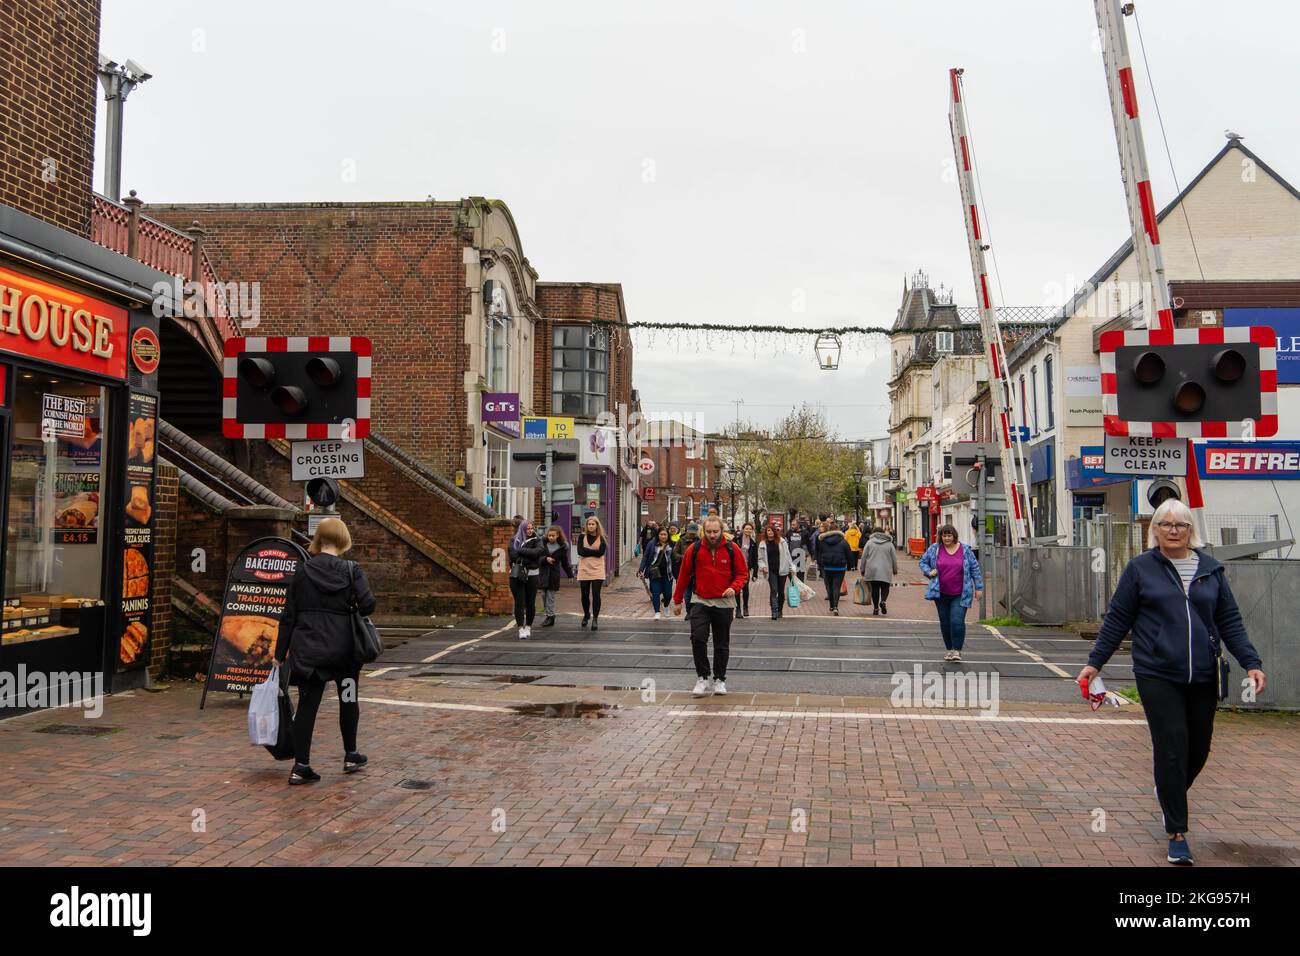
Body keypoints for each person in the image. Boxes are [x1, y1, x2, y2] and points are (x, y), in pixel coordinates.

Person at [1078, 498, 1265, 866]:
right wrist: (1095, 663)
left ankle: (1168, 791)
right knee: (1172, 746)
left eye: (1181, 525)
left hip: (1204, 675)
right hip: (1156, 672)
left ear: (1190, 531)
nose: (1174, 530)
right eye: (1166, 524)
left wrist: (1251, 663)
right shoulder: (1140, 570)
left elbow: (1230, 622)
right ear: (1155, 530)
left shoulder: (1211, 570)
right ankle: (1177, 832)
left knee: (1199, 749)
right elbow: (1118, 619)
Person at [275, 517, 374, 786]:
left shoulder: (303, 571)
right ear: (344, 540)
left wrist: (279, 652)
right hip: (345, 651)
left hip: (309, 650)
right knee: (349, 697)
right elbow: (368, 606)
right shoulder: (352, 570)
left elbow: (288, 615)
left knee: (307, 706)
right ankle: (351, 754)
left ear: (319, 539)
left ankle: (301, 766)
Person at [672, 515, 748, 697]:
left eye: (715, 531)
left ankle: (720, 680)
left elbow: (742, 573)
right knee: (698, 638)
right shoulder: (695, 549)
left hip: (724, 601)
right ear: (703, 532)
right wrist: (677, 600)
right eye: (709, 532)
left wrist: (733, 587)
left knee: (721, 643)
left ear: (722, 531)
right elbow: (684, 575)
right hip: (701, 600)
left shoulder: (732, 549)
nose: (712, 535)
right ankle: (702, 677)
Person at [918, 524, 983, 662]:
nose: (947, 538)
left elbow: (975, 569)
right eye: (944, 535)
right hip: (940, 593)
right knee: (945, 622)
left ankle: (957, 650)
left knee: (956, 621)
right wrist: (929, 572)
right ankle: (949, 649)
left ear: (954, 536)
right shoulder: (934, 549)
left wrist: (979, 588)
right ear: (940, 537)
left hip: (961, 593)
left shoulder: (965, 550)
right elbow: (923, 562)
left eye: (949, 535)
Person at [508, 520, 546, 640]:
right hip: (517, 575)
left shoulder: (537, 540)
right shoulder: (514, 540)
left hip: (532, 575)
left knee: (530, 603)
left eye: (531, 528)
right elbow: (513, 557)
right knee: (519, 602)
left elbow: (538, 553)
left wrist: (520, 551)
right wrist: (529, 557)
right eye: (527, 529)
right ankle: (520, 628)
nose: (530, 531)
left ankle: (528, 626)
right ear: (522, 529)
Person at [537, 524, 573, 627]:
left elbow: (565, 563)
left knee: (550, 597)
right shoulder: (542, 544)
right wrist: (545, 559)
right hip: (543, 573)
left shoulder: (562, 547)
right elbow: (537, 558)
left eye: (553, 535)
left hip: (553, 575)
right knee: (543, 595)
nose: (551, 537)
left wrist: (570, 575)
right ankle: (549, 614)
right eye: (549, 535)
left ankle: (550, 617)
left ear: (557, 535)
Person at [576, 515, 608, 630]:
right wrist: (593, 551)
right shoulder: (581, 536)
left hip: (597, 569)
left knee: (596, 594)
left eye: (593, 524)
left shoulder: (602, 537)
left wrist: (587, 551)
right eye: (589, 524)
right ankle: (586, 614)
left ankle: (595, 619)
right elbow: (580, 551)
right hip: (584, 569)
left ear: (597, 525)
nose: (590, 526)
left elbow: (600, 553)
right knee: (584, 595)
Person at [637, 526, 676, 620]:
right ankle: (657, 612)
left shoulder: (672, 544)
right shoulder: (652, 544)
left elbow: (676, 558)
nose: (663, 536)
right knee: (655, 593)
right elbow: (645, 557)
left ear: (668, 535)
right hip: (654, 573)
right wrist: (641, 569)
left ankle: (666, 606)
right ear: (658, 535)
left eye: (665, 534)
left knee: (668, 593)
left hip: (668, 573)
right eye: (661, 534)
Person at [815, 519, 852, 615]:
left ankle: (831, 605)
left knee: (829, 587)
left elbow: (819, 553)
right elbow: (849, 554)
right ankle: (836, 606)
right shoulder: (843, 541)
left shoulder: (823, 541)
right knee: (837, 587)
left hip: (827, 566)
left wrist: (820, 564)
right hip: (840, 567)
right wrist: (850, 566)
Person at [859, 526, 898, 615]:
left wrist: (862, 569)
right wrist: (895, 570)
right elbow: (894, 558)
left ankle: (876, 608)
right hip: (885, 569)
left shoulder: (869, 543)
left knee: (875, 589)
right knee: (885, 587)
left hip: (872, 570)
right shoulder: (889, 544)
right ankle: (883, 601)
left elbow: (864, 557)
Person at [757, 523, 792, 619]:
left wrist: (791, 567)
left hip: (782, 569)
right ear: (766, 532)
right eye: (768, 530)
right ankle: (774, 611)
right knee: (774, 590)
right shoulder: (762, 544)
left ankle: (780, 610)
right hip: (770, 570)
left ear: (775, 532)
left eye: (772, 530)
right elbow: (760, 559)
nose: (770, 532)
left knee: (781, 591)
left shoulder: (782, 541)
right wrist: (762, 566)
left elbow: (787, 555)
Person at [734, 521, 759, 619]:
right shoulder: (736, 540)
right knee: (737, 589)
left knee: (745, 588)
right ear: (743, 530)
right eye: (746, 528)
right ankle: (738, 609)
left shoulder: (753, 543)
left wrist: (755, 573)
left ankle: (745, 608)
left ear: (752, 531)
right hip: (736, 567)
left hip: (746, 568)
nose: (748, 530)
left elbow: (755, 558)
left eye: (750, 529)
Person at [674, 522, 700, 608]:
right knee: (687, 593)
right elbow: (675, 553)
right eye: (690, 533)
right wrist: (684, 558)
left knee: (696, 593)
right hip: (684, 569)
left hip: (696, 571)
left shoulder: (699, 541)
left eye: (693, 533)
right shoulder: (681, 541)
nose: (692, 535)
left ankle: (694, 610)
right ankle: (689, 611)